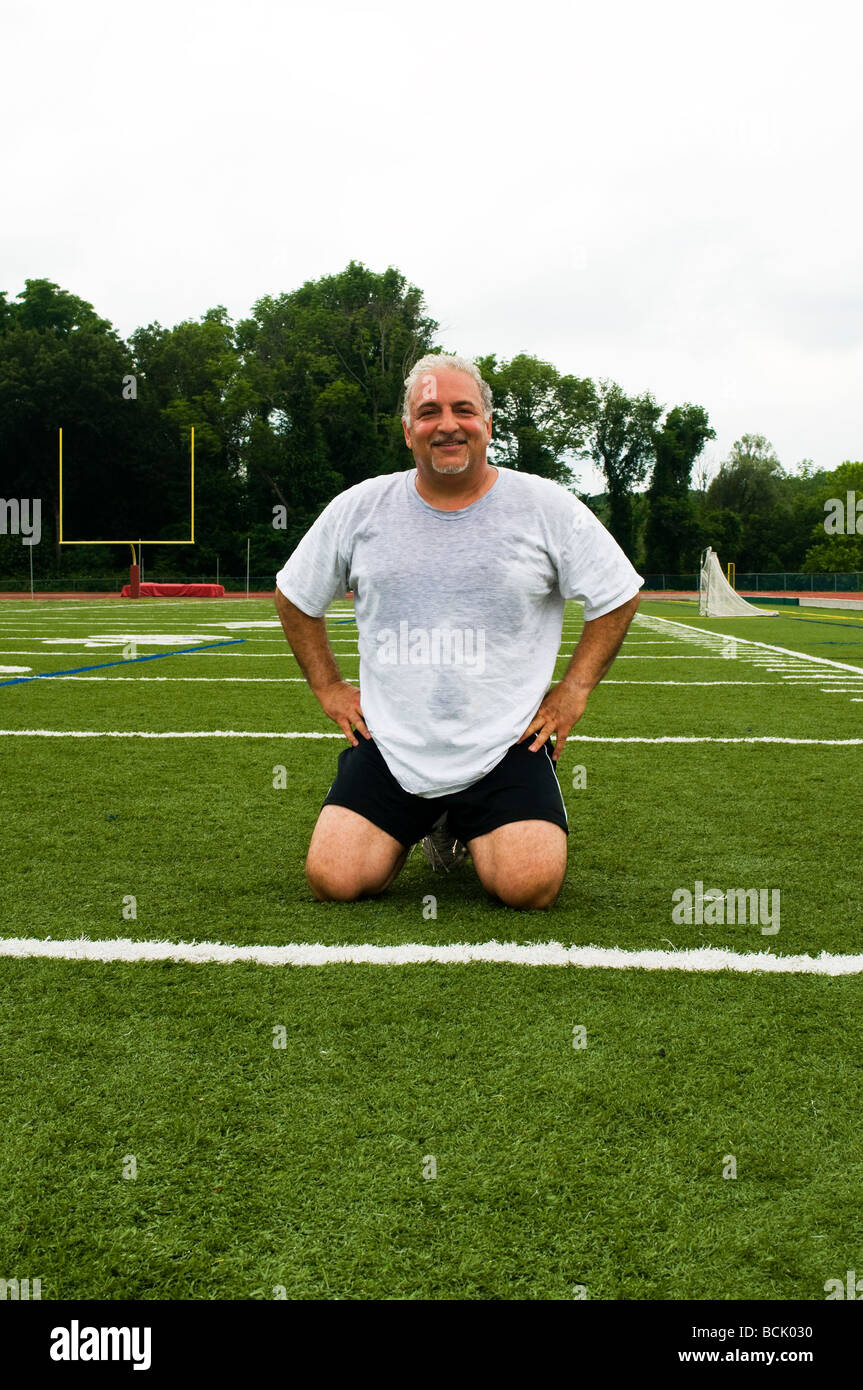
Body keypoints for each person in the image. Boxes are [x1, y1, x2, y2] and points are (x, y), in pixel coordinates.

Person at [274, 353, 642, 909]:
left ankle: (469, 823)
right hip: (393, 744)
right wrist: (329, 687)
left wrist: (574, 690)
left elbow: (618, 591)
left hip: (506, 744)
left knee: (528, 887)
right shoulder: (360, 508)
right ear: (408, 431)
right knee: (335, 881)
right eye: (429, 413)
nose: (447, 424)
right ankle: (425, 819)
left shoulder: (545, 506)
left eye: (463, 410)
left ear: (487, 424)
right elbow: (295, 594)